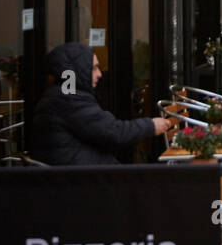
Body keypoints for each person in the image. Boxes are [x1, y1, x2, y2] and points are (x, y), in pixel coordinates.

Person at [29, 42, 172, 166]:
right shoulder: (69, 98)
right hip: (84, 183)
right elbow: (113, 132)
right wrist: (151, 126)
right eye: (94, 68)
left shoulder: (64, 94)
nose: (100, 74)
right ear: (79, 70)